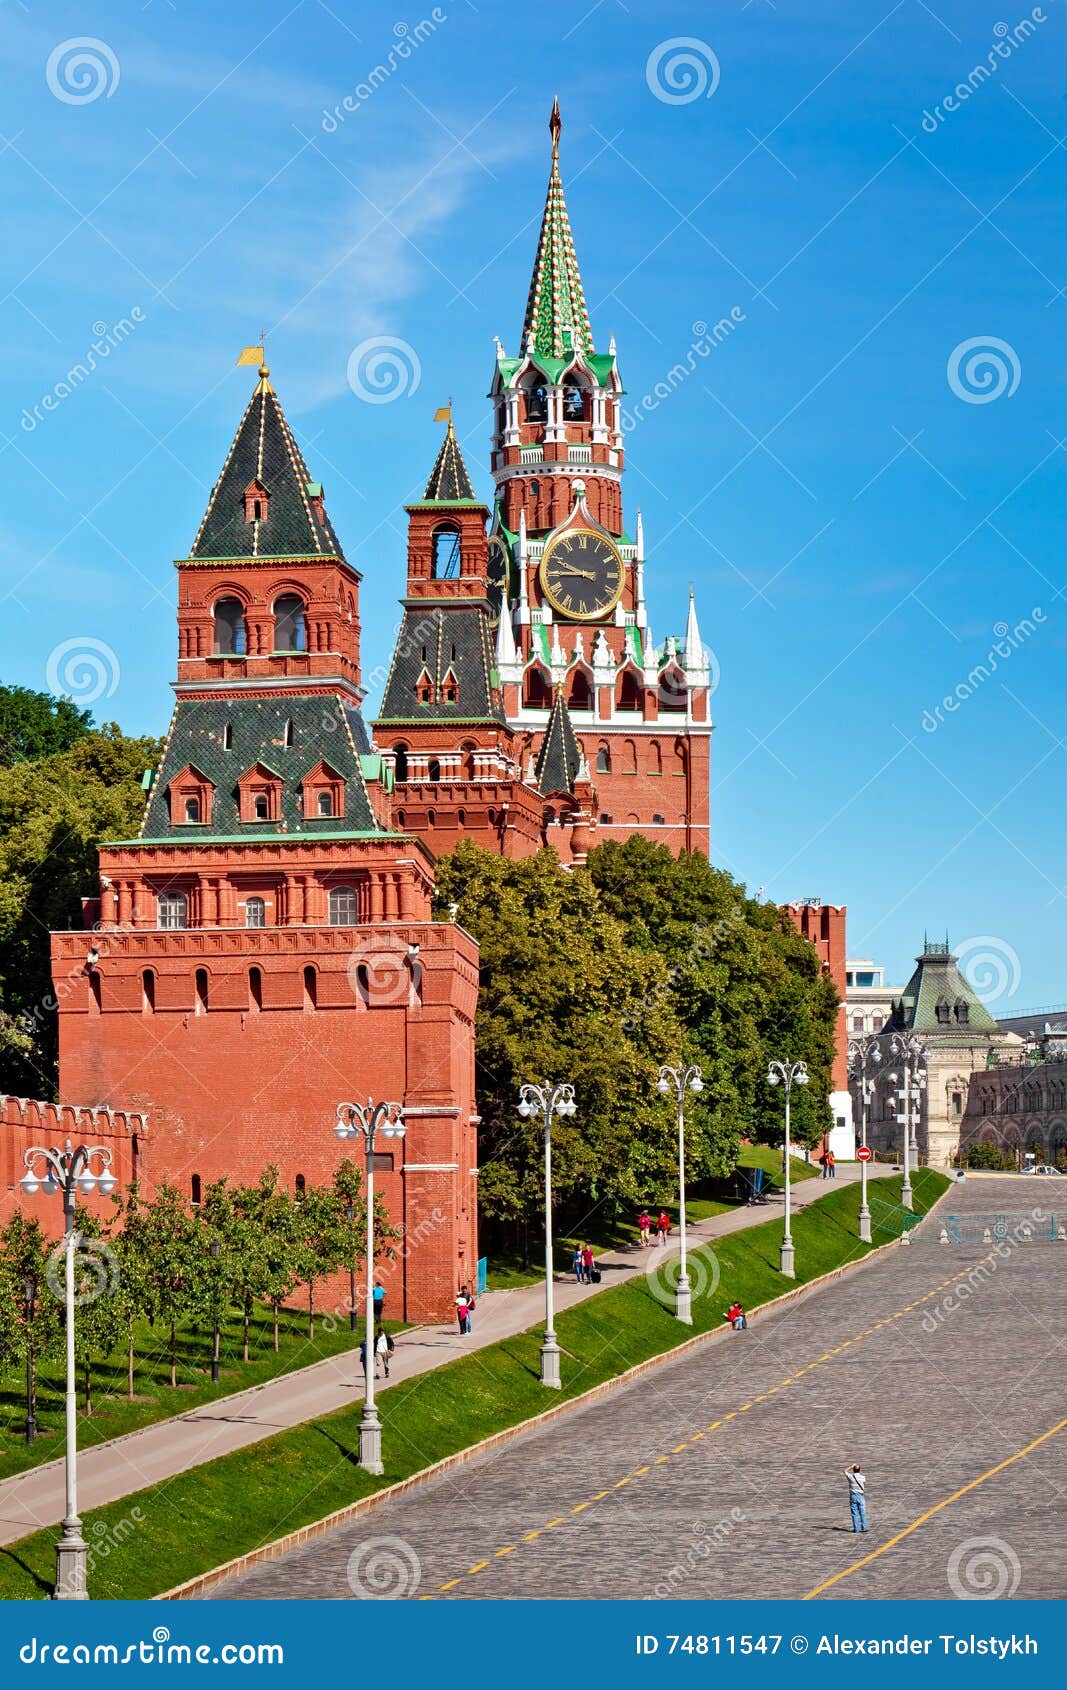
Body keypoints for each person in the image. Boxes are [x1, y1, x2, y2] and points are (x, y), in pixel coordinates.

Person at [844, 1463, 867, 1532]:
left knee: (854, 1513)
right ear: (860, 1470)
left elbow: (845, 1471)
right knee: (862, 1512)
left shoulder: (850, 1477)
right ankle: (864, 1527)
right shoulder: (863, 1477)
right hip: (861, 1496)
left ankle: (856, 1529)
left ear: (853, 1470)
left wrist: (851, 1466)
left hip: (853, 1496)